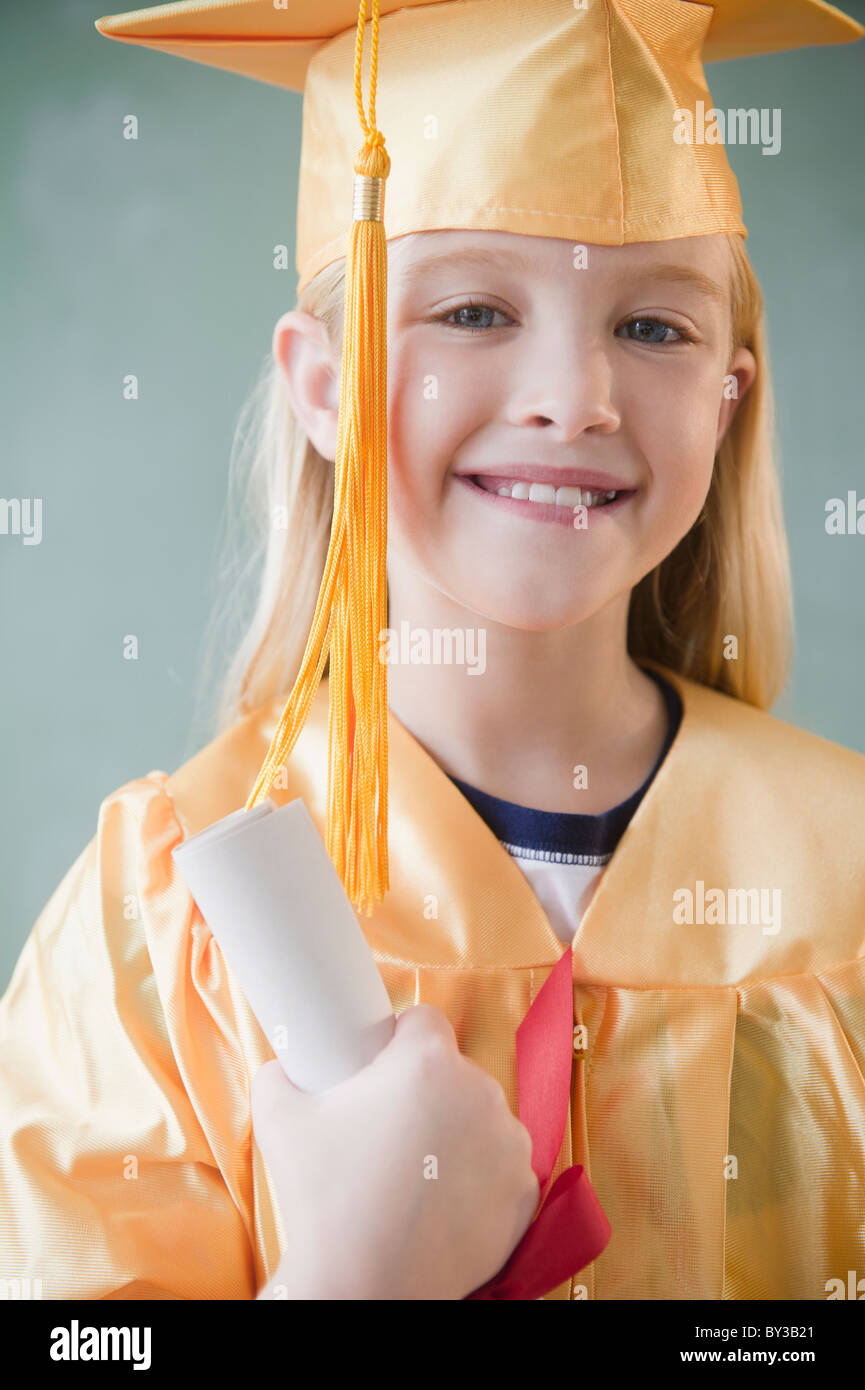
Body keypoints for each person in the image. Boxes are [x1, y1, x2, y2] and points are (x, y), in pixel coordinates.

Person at [1, 0, 864, 1300]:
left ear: (729, 392)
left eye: (654, 326)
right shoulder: (159, 915)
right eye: (467, 311)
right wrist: (351, 1279)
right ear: (323, 386)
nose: (572, 396)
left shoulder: (844, 877)